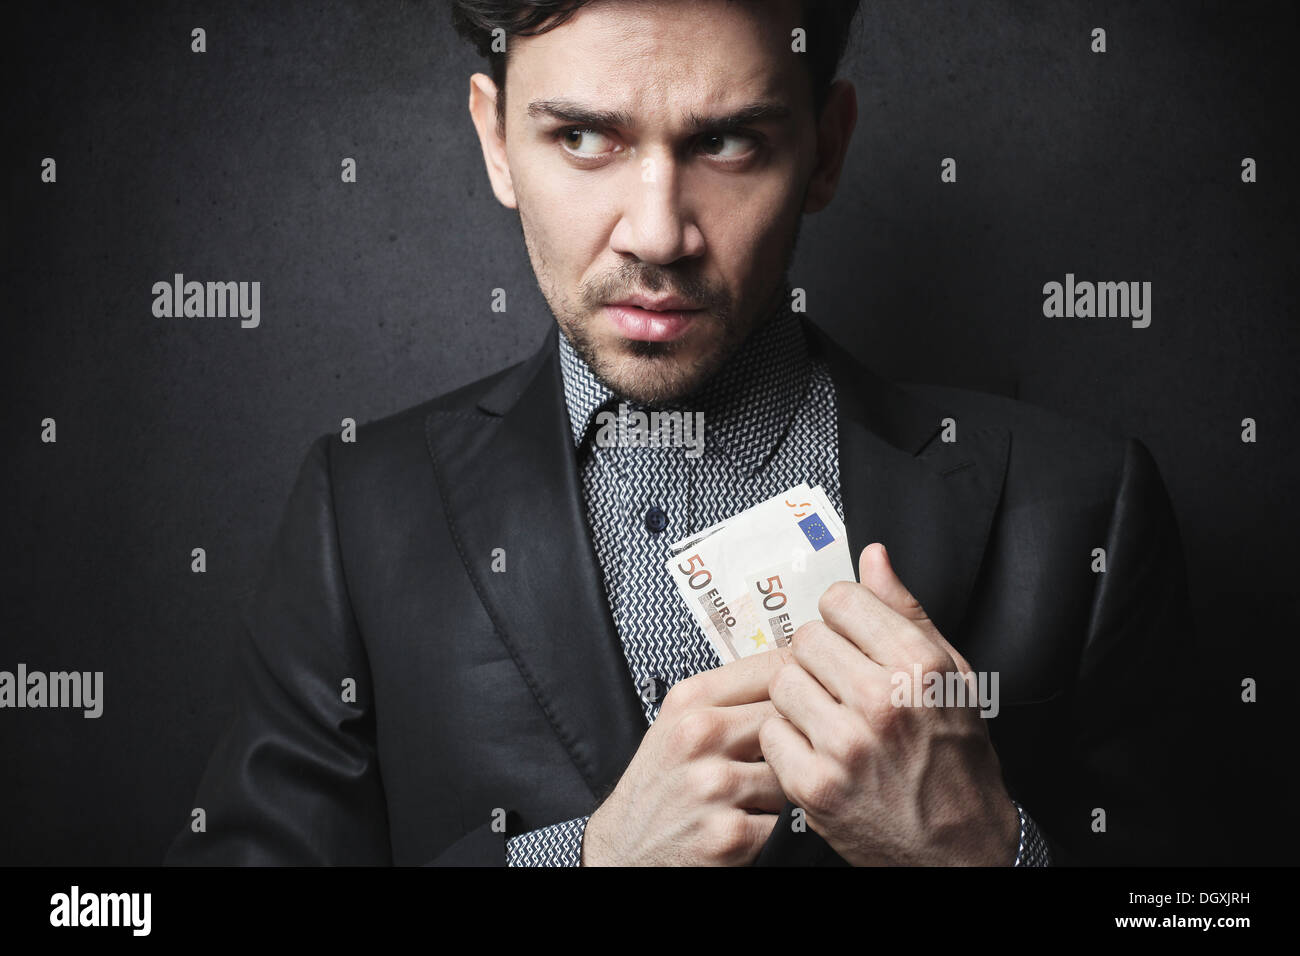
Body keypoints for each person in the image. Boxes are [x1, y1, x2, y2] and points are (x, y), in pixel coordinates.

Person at [167, 0, 1195, 866]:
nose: (657, 232)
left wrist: (988, 852)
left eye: (727, 140)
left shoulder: (1078, 506)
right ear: (495, 140)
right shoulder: (362, 508)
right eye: (583, 136)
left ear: (825, 150)